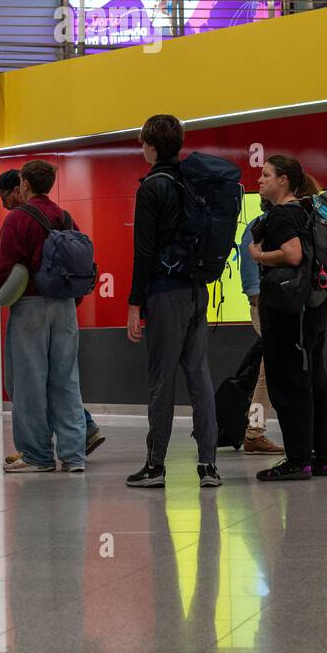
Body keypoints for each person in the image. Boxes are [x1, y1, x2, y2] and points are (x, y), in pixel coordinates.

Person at [126, 114, 221, 490]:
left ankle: (155, 465)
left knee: (162, 379)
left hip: (166, 291)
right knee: (199, 375)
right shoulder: (193, 180)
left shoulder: (152, 187)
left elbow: (144, 250)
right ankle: (209, 465)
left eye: (142, 143)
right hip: (199, 288)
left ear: (151, 146)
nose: (141, 149)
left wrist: (135, 302)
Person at [0, 169, 105, 458]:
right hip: (65, 308)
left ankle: (36, 455)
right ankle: (73, 454)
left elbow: (2, 269)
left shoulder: (16, 219)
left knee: (28, 382)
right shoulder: (64, 217)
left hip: (30, 308)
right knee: (66, 380)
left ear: (24, 184)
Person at [250, 156, 327, 482]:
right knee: (313, 379)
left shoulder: (282, 215)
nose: (260, 180)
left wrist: (259, 256)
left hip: (288, 311)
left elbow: (293, 254)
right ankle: (320, 456)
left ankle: (298, 460)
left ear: (284, 180)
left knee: (288, 383)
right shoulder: (307, 210)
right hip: (312, 308)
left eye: (266, 174)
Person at [238, 217, 284, 456]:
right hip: (267, 303)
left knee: (269, 371)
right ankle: (254, 431)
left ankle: (254, 429)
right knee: (269, 372)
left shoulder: (272, 220)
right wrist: (254, 293)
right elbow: (247, 256)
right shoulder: (262, 223)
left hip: (276, 302)